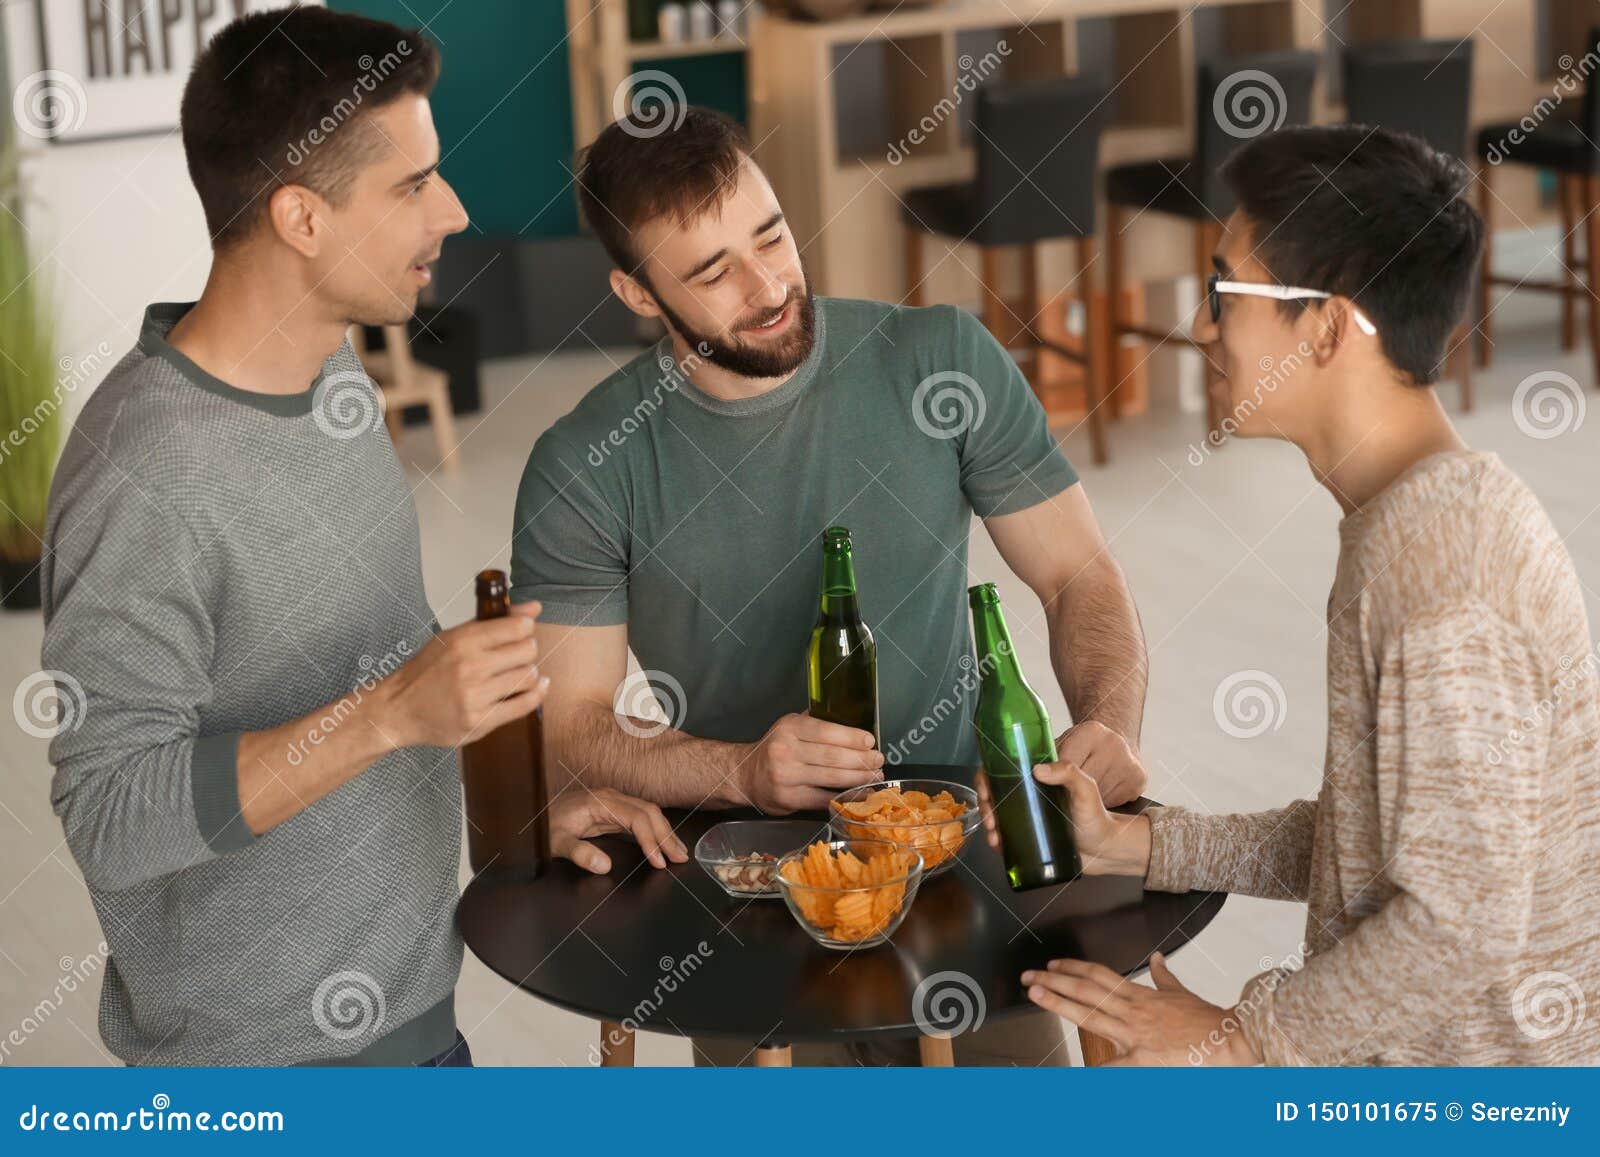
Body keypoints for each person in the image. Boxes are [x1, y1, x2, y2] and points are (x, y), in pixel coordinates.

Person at [40, 6, 683, 1069]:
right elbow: (110, 810)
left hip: (415, 1020)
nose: (457, 209)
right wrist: (387, 715)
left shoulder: (331, 375)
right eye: (412, 184)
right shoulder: (144, 474)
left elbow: (379, 672)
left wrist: (522, 817)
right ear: (300, 218)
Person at [512, 107, 1149, 1065]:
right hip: (746, 885)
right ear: (638, 294)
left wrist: (1110, 720)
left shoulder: (938, 360)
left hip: (964, 862)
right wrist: (739, 771)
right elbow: (574, 727)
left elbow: (1077, 574)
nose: (768, 285)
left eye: (770, 236)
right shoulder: (586, 465)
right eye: (713, 270)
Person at [1008, 125, 1600, 1065]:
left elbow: (1465, 923)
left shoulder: (1441, 572)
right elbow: (1377, 842)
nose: (1201, 326)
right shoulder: (1407, 519)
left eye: (1222, 294)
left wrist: (1239, 1039)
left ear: (1325, 327)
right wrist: (1136, 846)